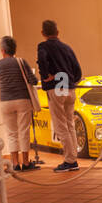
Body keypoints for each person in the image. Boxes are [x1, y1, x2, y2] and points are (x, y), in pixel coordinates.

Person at [37, 20, 84, 172]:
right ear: (58, 32)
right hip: (69, 87)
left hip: (57, 87)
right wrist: (72, 81)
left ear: (43, 33)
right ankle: (73, 157)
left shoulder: (43, 46)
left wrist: (46, 76)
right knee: (70, 123)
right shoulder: (66, 47)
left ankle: (70, 160)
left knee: (60, 125)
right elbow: (77, 70)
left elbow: (42, 61)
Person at [0, 36, 40, 171]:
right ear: (14, 49)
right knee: (24, 131)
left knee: (11, 133)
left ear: (3, 50)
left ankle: (15, 163)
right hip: (22, 100)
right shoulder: (21, 62)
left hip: (6, 101)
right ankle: (25, 162)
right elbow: (33, 80)